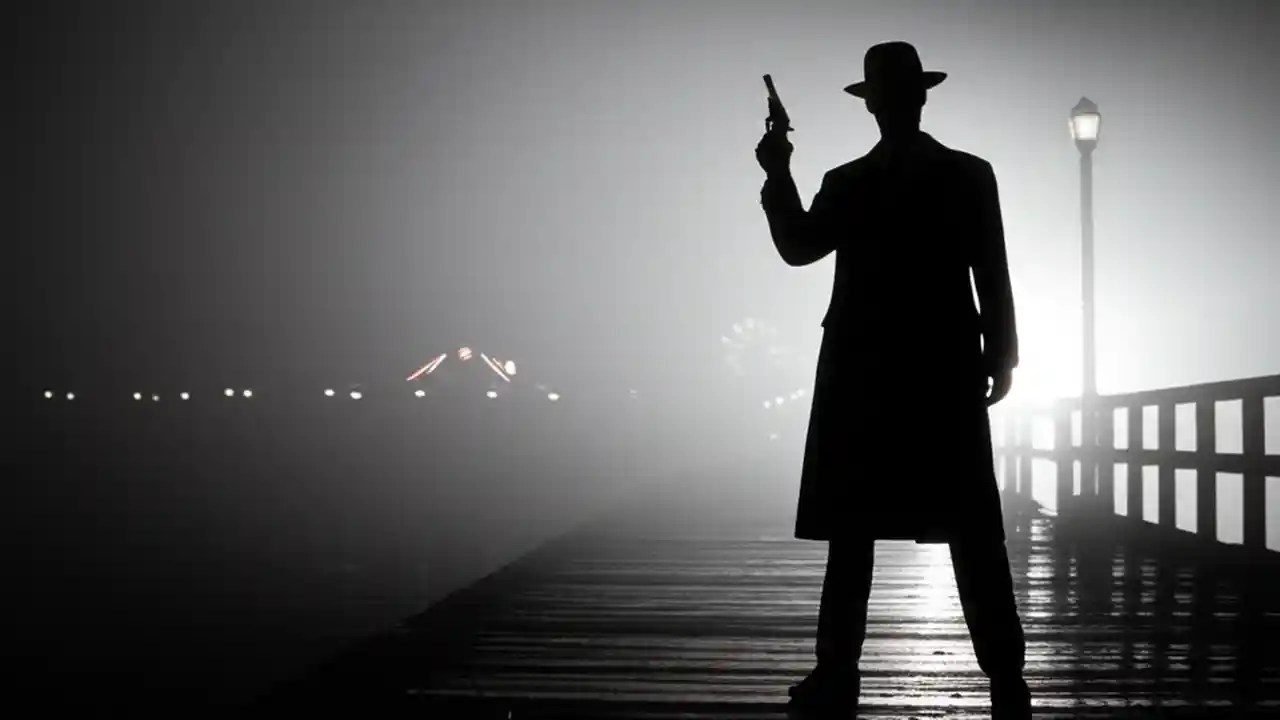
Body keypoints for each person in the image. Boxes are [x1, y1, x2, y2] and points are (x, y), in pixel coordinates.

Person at [755, 41, 1032, 719]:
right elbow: (990, 272)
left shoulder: (849, 182)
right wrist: (1003, 354)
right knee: (971, 528)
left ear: (873, 101)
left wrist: (777, 172)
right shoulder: (969, 174)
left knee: (853, 533)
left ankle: (835, 677)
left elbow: (797, 246)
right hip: (941, 368)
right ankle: (1007, 679)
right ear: (922, 95)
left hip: (861, 371)